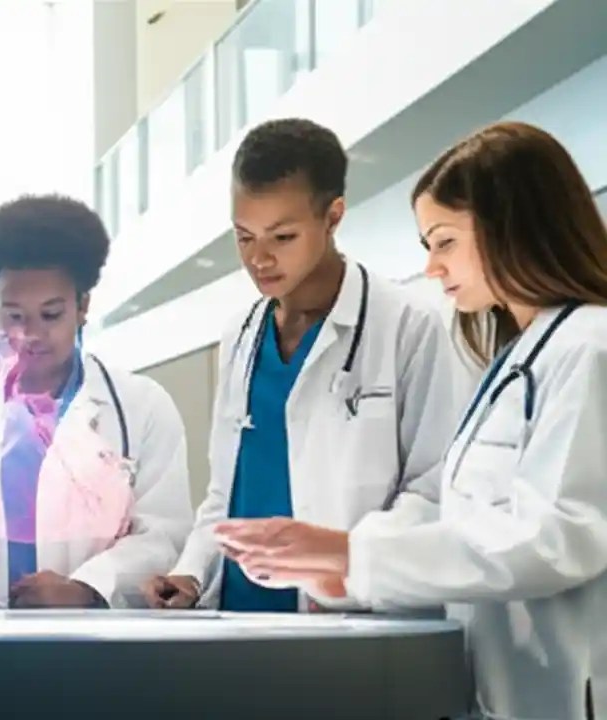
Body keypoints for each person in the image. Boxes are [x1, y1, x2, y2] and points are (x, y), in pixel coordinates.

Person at [214, 121, 607, 719]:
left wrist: (353, 554)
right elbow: (474, 526)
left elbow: (555, 538)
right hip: (501, 688)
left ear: (510, 227)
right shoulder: (518, 357)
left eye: (444, 242)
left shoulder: (592, 347)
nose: (431, 268)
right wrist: (346, 575)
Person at [143, 118, 466, 612]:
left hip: (349, 617)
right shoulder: (241, 337)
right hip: (237, 613)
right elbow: (224, 493)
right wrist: (189, 572)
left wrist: (343, 565)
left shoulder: (407, 324)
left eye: (283, 237)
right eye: (244, 237)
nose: (259, 259)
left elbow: (429, 489)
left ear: (333, 216)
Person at [0, 194, 191, 609]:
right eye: (14, 315)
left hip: (96, 646)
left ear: (83, 306)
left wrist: (85, 588)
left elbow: (163, 534)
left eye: (50, 315)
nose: (30, 334)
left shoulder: (143, 407)